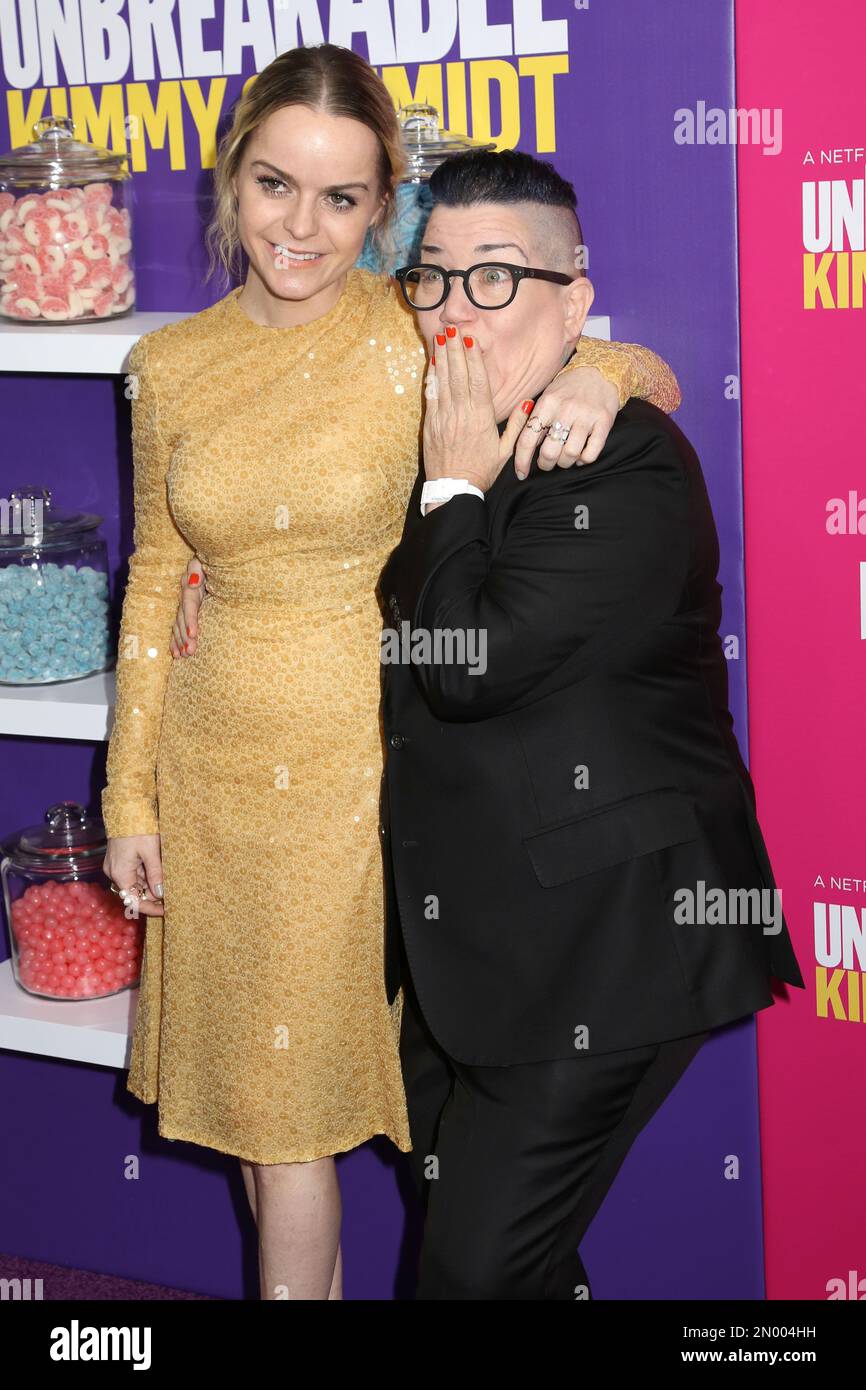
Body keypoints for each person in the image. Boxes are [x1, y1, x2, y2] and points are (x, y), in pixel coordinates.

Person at [101, 44, 680, 1302]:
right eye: (274, 185)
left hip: (357, 777)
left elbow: (614, 364)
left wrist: (602, 371)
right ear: (231, 181)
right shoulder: (167, 365)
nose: (299, 228)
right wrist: (127, 797)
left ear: (382, 210)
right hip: (209, 772)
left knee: (290, 1118)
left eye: (342, 198)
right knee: (256, 1120)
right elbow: (153, 575)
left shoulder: (409, 330)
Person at [374, 148, 806, 1299]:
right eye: (435, 277)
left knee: (467, 1275)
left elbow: (469, 666)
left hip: (605, 949)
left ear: (573, 297)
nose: (458, 309)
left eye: (496, 277)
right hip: (469, 941)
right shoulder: (459, 414)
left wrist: (453, 487)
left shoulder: (622, 462)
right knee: (501, 1249)